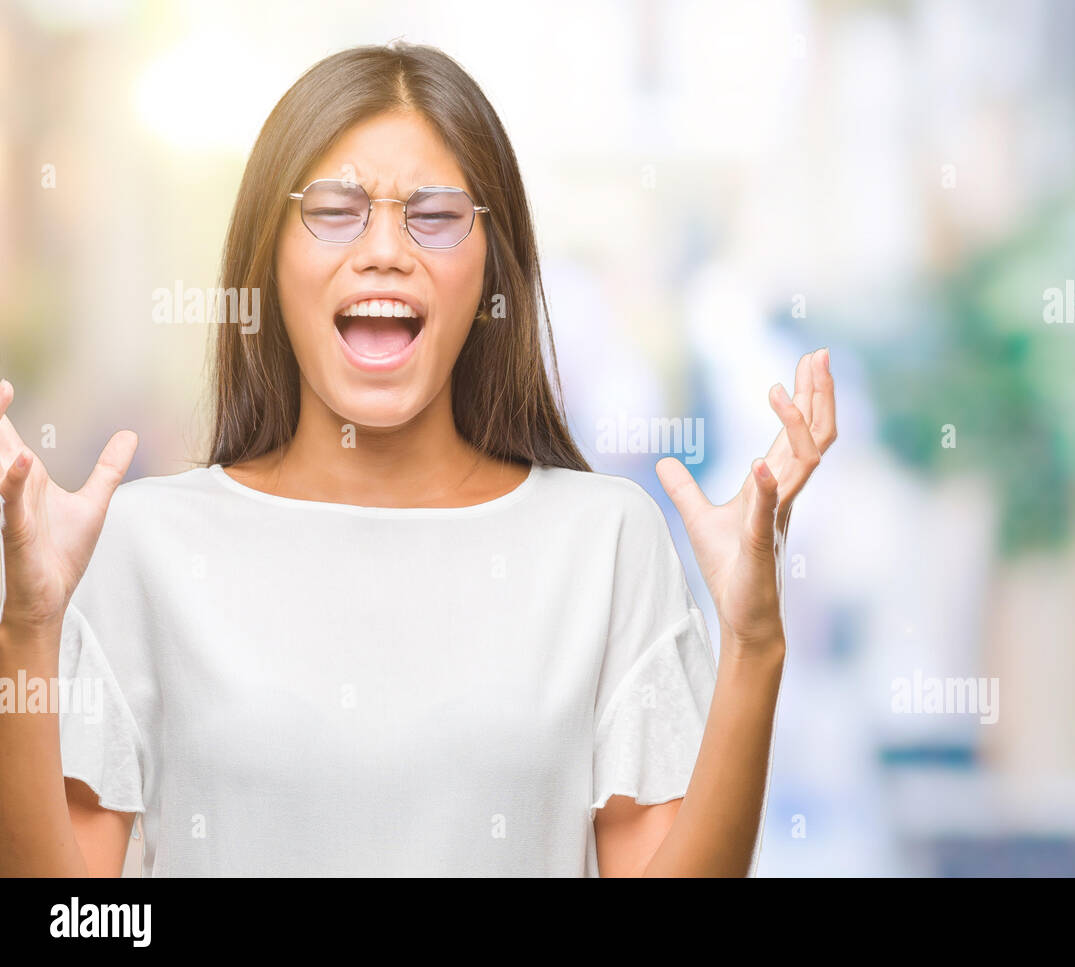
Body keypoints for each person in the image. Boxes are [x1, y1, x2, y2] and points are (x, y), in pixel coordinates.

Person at [0, 42, 835, 877]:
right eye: (335, 209)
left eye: (434, 216)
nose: (386, 249)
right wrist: (27, 629)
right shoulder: (145, 543)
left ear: (489, 271)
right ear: (268, 255)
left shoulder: (606, 542)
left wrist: (754, 643)